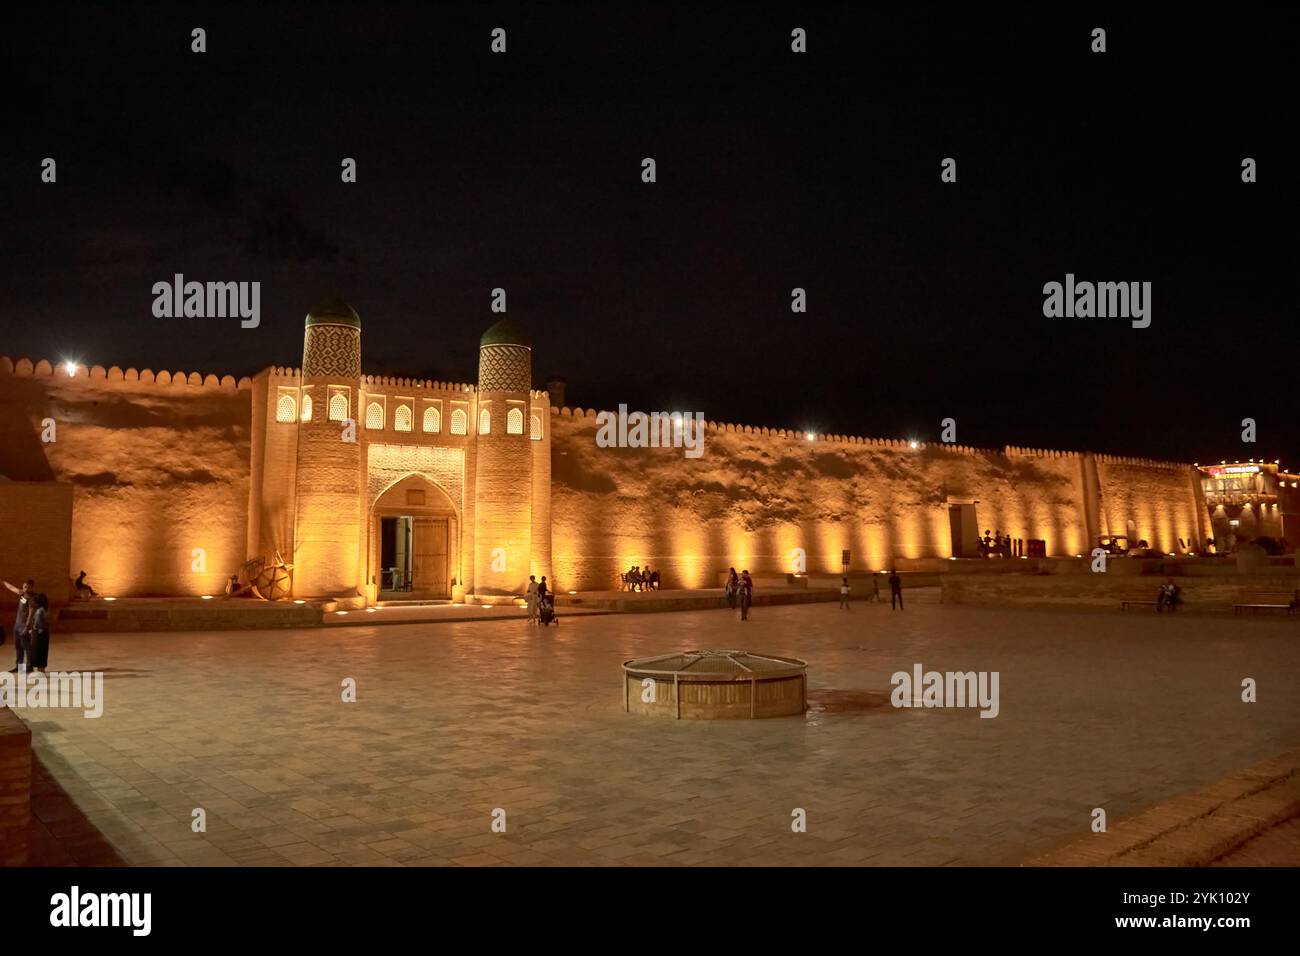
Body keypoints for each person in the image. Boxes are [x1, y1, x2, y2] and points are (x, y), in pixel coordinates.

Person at [3, 579, 34, 673]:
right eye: (24, 586)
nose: (24, 588)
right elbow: (12, 588)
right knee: (18, 647)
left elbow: (30, 614)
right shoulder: (22, 594)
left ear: (31, 587)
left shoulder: (32, 598)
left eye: (26, 587)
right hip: (17, 625)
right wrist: (3, 582)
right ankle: (20, 668)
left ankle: (29, 667)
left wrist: (27, 627)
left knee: (27, 647)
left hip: (23, 626)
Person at [26, 592, 51, 674]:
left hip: (39, 636)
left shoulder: (39, 611)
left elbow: (40, 627)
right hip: (44, 635)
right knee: (43, 653)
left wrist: (32, 631)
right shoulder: (44, 609)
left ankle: (41, 672)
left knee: (39, 653)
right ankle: (41, 671)